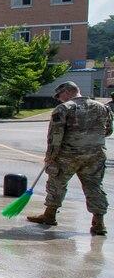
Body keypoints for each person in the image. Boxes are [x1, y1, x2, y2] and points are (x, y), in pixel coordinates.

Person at [27, 81, 112, 234]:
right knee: (94, 186)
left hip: (67, 156)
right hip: (95, 156)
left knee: (56, 183)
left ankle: (50, 214)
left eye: (59, 96)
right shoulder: (102, 108)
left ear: (67, 92)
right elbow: (108, 131)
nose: (59, 99)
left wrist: (50, 156)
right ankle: (99, 223)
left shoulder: (64, 109)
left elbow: (55, 136)